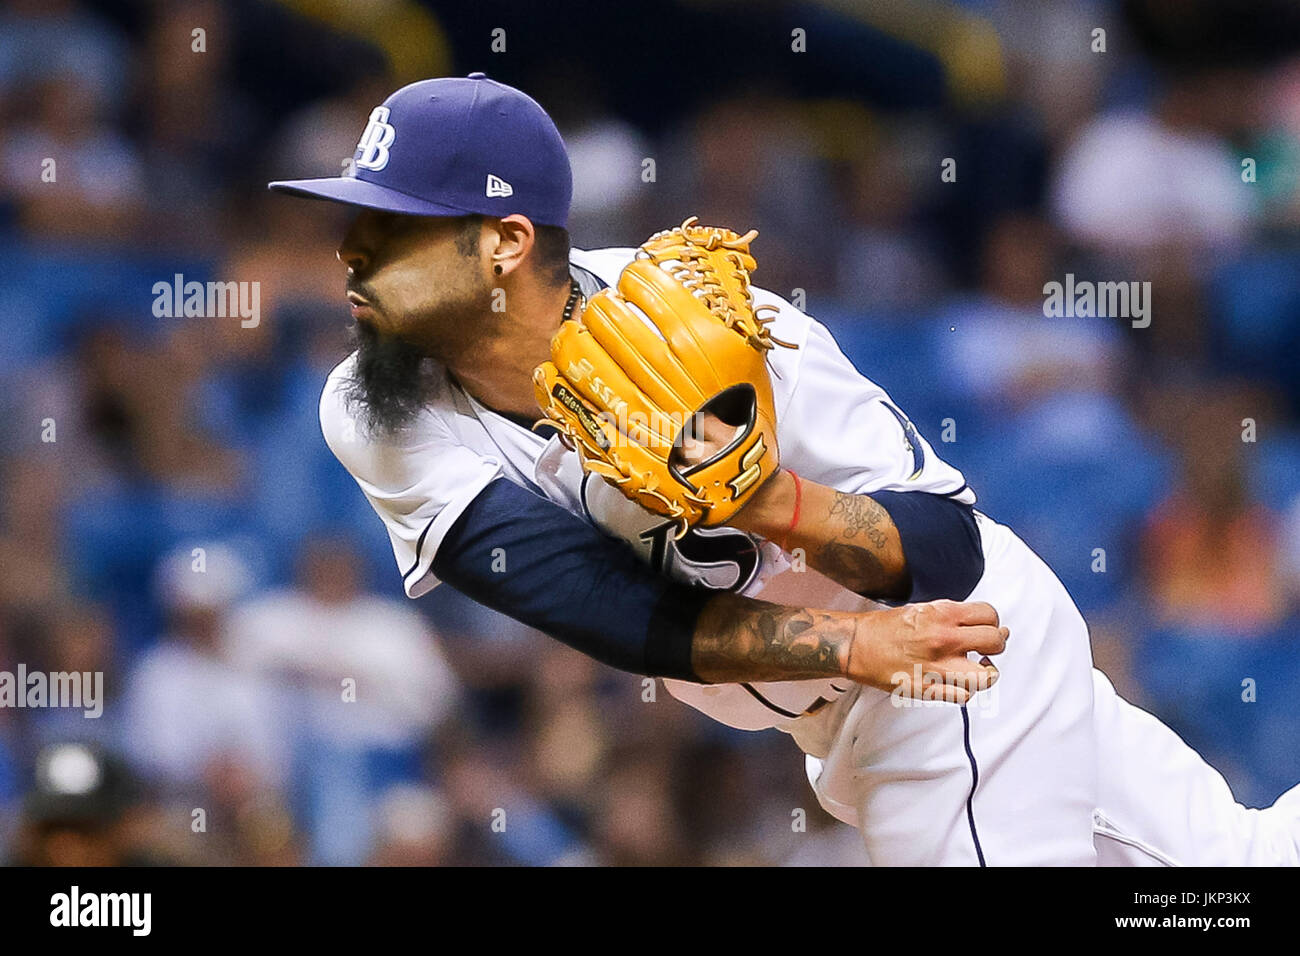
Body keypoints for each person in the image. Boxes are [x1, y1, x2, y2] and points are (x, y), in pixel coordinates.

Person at [270, 73, 1300, 865]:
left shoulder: (721, 327)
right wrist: (847, 643)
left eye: (388, 224)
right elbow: (593, 603)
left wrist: (772, 498)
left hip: (957, 659)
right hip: (852, 683)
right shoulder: (370, 402)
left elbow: (944, 541)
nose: (350, 249)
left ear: (502, 241)